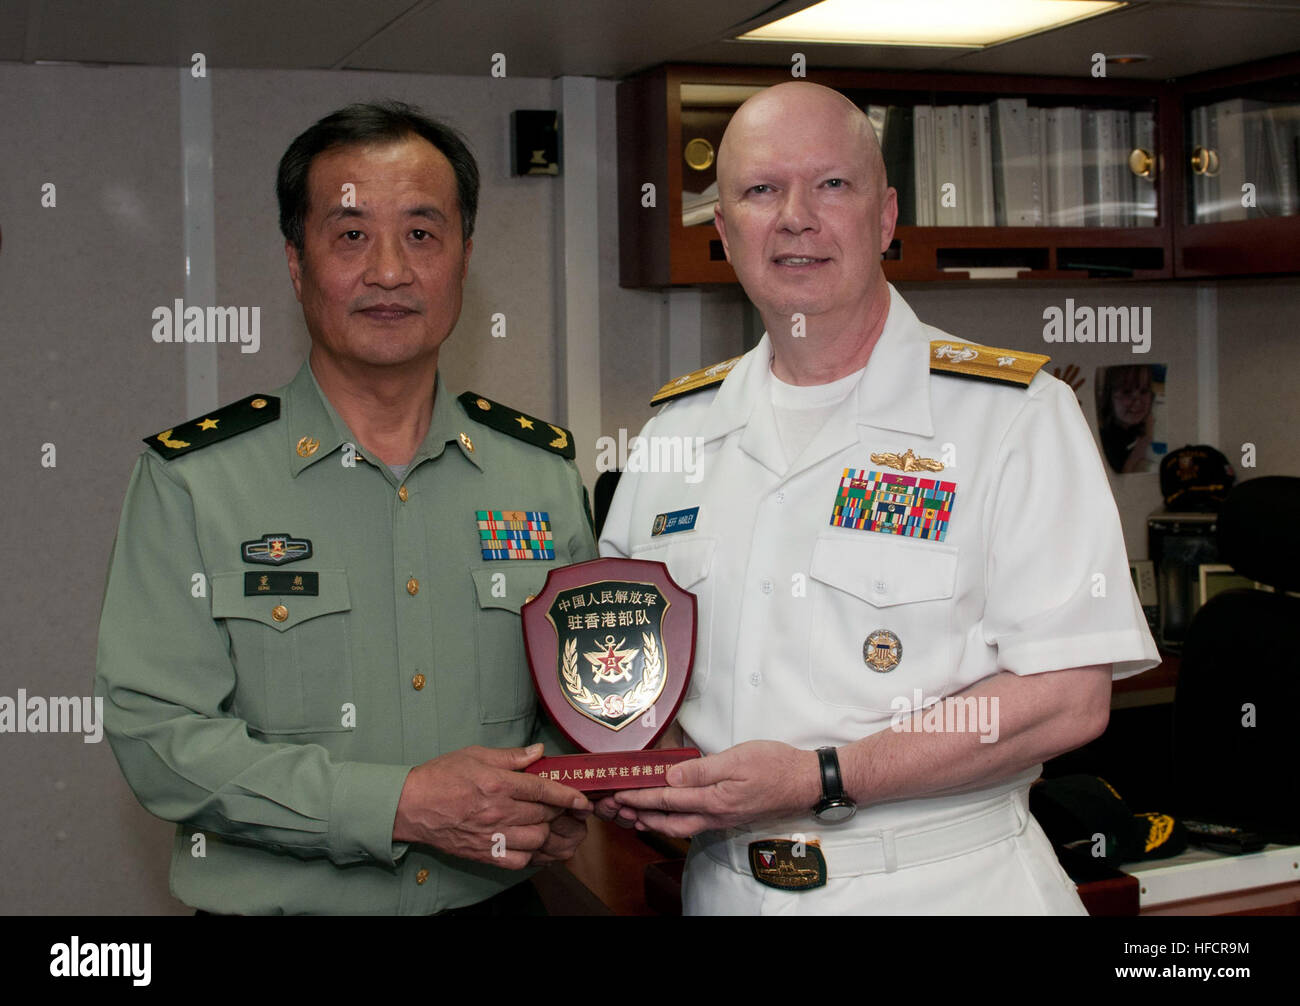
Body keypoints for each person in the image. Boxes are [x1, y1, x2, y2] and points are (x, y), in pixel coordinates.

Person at [596, 82, 1159, 915]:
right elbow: (629, 670)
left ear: (887, 216)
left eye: (831, 184)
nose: (795, 216)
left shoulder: (1013, 415)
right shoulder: (674, 432)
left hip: (945, 885)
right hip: (726, 889)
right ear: (724, 231)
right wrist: (639, 766)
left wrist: (825, 775)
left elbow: (1069, 698)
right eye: (760, 190)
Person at [94, 101, 596, 915]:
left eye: (423, 234)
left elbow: (586, 705)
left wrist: (572, 790)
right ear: (297, 264)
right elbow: (160, 738)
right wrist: (398, 805)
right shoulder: (194, 481)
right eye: (351, 234)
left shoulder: (539, 475)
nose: (390, 271)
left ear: (465, 259)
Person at [1096, 364, 1156, 474]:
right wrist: (1145, 440)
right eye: (1126, 392)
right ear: (1109, 397)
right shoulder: (1105, 440)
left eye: (1144, 391)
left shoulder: (1141, 428)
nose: (1137, 402)